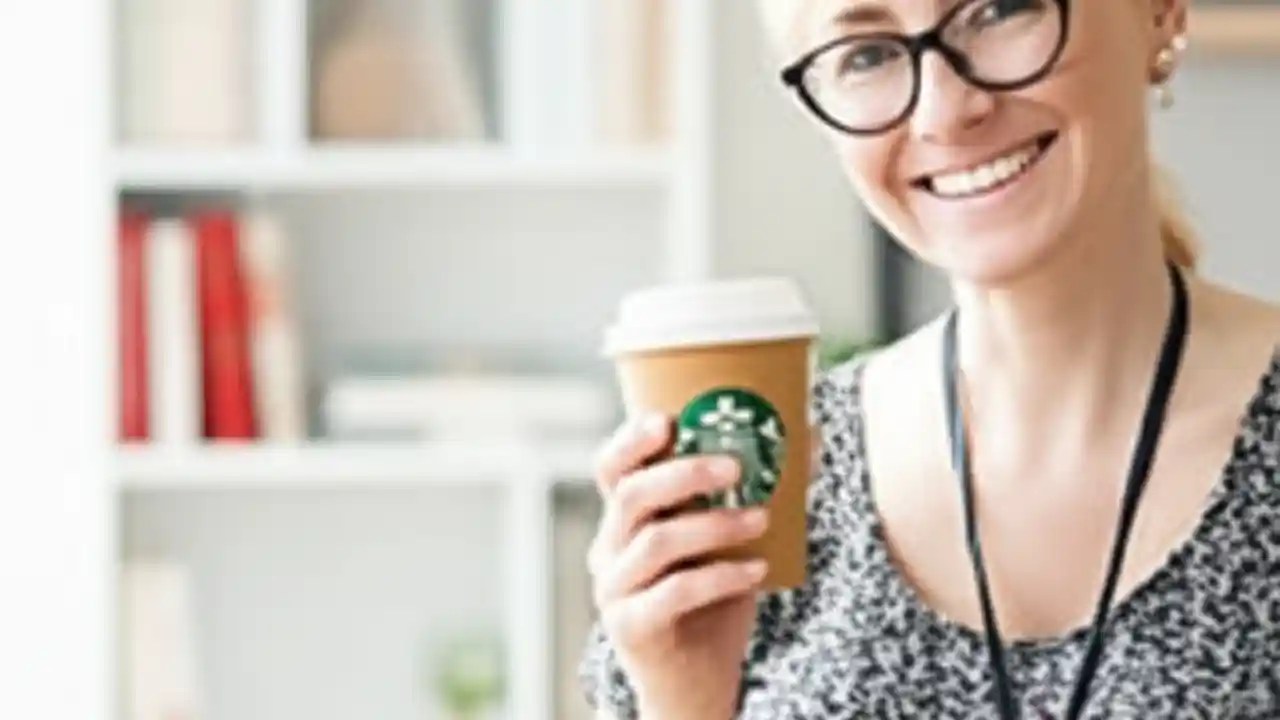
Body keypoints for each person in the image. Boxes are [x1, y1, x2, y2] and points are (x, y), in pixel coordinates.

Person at [579, 0, 1280, 717]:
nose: (945, 111)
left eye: (1001, 10)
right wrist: (683, 696)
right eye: (867, 56)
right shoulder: (774, 484)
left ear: (1159, 13)